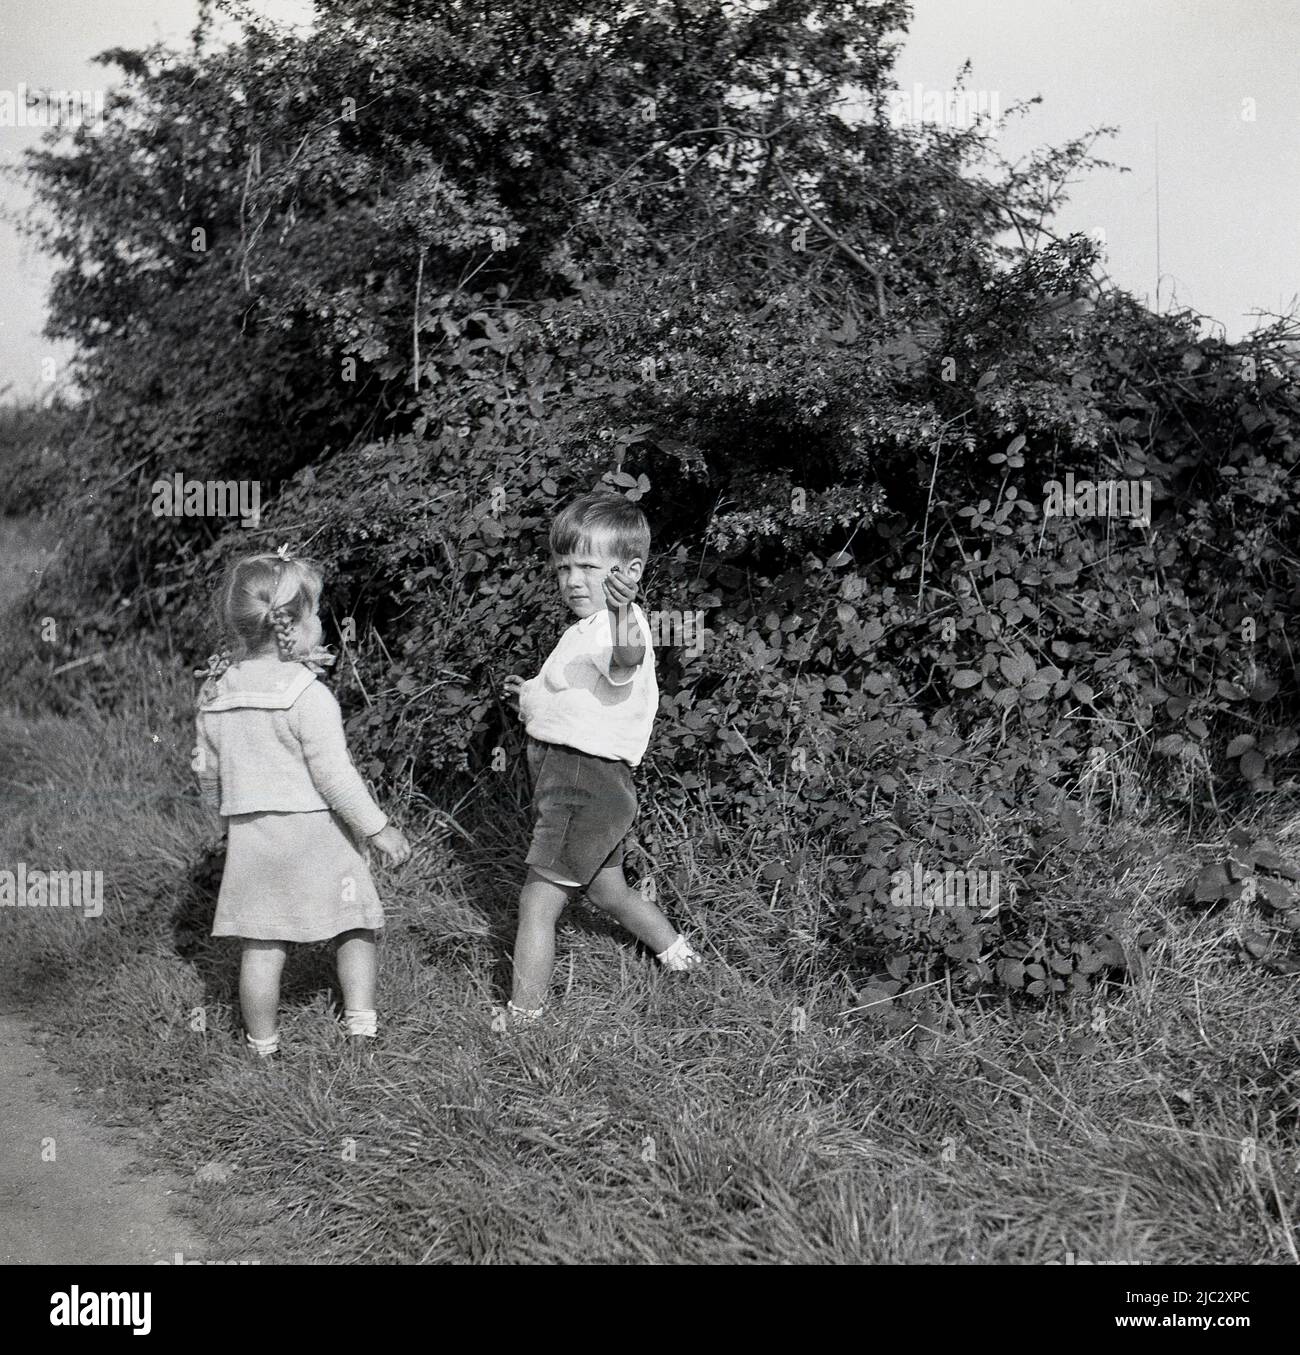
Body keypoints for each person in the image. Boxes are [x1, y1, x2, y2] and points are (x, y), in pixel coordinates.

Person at [194, 548, 410, 1059]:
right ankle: (361, 1027)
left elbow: (205, 770)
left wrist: (226, 817)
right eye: (315, 612)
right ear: (298, 622)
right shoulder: (307, 694)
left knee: (262, 944)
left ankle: (262, 1048)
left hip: (254, 836)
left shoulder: (216, 693)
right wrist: (377, 828)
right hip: (317, 835)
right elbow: (334, 777)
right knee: (354, 923)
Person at [503, 492, 703, 1020]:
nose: (573, 579)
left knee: (537, 902)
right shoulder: (583, 629)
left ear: (628, 571)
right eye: (564, 566)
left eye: (588, 567)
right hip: (583, 782)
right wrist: (528, 692)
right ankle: (680, 958)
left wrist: (619, 611)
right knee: (608, 889)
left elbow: (625, 661)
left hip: (581, 782)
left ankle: (523, 1017)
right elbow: (576, 694)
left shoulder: (623, 625)